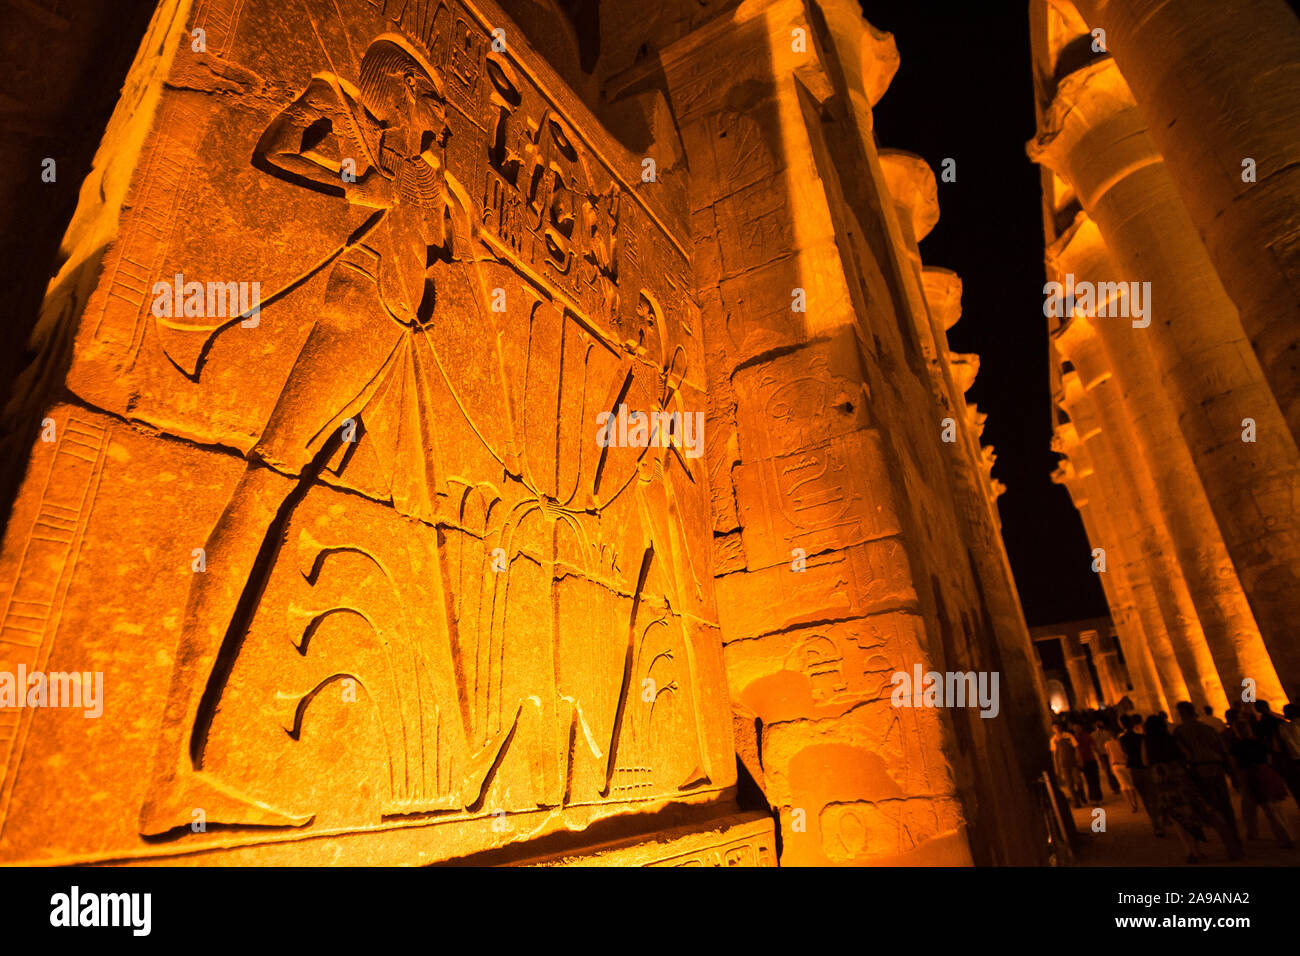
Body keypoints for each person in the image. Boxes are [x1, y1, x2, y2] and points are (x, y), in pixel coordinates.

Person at [1144, 714, 1241, 862]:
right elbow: (1187, 754)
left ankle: (1190, 851)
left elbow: (1145, 761)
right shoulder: (1171, 738)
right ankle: (1201, 848)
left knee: (1177, 818)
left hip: (1162, 782)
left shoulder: (1147, 742)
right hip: (1179, 777)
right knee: (1190, 813)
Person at [1173, 700, 1241, 849]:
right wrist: (1233, 775)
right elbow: (1224, 752)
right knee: (1226, 806)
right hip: (1217, 769)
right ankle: (1235, 840)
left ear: (1181, 714)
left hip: (1199, 772)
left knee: (1211, 808)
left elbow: (1183, 756)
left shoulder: (1180, 732)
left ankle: (1229, 843)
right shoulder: (1209, 729)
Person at [1229, 717, 1295, 849]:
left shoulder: (1237, 747)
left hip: (1252, 775)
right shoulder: (1259, 742)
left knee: (1267, 809)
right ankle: (1287, 835)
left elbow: (1236, 765)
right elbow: (1269, 758)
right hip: (1266, 772)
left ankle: (1283, 837)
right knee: (1276, 808)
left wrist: (1237, 781)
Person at [1120, 714, 1164, 837]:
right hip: (1146, 768)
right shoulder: (1141, 738)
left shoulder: (1123, 739)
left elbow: (1125, 753)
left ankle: (1155, 823)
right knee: (1154, 795)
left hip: (1135, 769)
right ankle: (1161, 818)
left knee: (1145, 797)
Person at [1104, 721, 1138, 812]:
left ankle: (1131, 805)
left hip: (1115, 766)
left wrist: (1111, 767)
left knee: (1123, 786)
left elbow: (1109, 756)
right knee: (1131, 785)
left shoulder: (1107, 744)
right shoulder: (1121, 742)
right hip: (1125, 764)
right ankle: (1135, 803)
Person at [1051, 722, 1086, 809]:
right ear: (1053, 729)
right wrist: (1056, 767)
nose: (1057, 729)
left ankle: (1081, 794)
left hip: (1073, 763)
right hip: (1063, 764)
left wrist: (1079, 760)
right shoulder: (1053, 740)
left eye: (1058, 727)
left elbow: (1076, 748)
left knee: (1079, 781)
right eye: (1055, 728)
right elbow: (1055, 755)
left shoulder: (1068, 736)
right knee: (1069, 784)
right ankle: (1076, 801)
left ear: (1060, 728)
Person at [1073, 721, 1104, 802]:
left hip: (1091, 759)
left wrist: (1099, 754)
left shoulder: (1086, 736)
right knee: (1090, 780)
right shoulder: (1074, 738)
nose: (1077, 729)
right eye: (1076, 728)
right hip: (1084, 761)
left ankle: (1097, 797)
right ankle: (1094, 798)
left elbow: (1093, 746)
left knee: (1095, 779)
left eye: (1078, 728)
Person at [1094, 720, 1122, 794]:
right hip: (1108, 753)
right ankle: (1116, 786)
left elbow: (1094, 745)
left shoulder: (1094, 734)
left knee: (1108, 771)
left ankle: (1114, 787)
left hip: (1103, 754)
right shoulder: (1107, 733)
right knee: (1111, 770)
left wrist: (1097, 752)